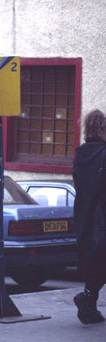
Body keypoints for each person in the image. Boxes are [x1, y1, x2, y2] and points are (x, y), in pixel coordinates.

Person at [72, 108, 106, 324]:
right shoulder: (104, 153)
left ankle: (88, 304)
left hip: (85, 212)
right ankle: (86, 299)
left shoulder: (80, 154)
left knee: (95, 260)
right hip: (102, 214)